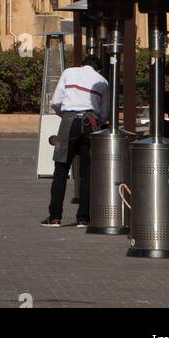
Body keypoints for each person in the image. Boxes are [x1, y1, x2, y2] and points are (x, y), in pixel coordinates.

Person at [41, 54, 109, 228]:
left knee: (61, 169)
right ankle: (83, 218)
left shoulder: (69, 72)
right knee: (88, 171)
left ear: (82, 64)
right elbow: (104, 113)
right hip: (91, 124)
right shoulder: (102, 81)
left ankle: (55, 216)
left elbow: (56, 101)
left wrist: (65, 116)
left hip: (69, 121)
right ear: (98, 69)